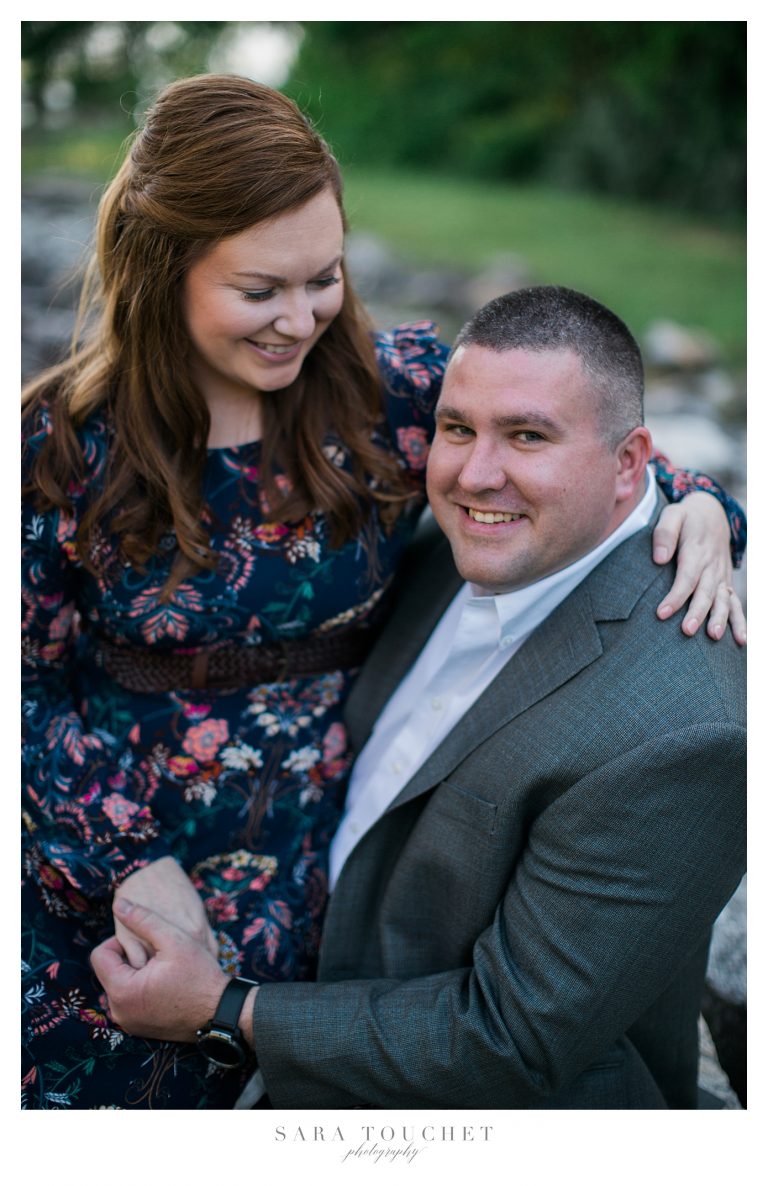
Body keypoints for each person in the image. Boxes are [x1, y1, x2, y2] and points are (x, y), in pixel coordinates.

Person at [22, 73, 743, 1111]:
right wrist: (125, 862)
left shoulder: (389, 391)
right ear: (163, 269)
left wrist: (711, 505)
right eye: (259, 289)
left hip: (316, 836)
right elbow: (25, 683)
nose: (300, 318)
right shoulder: (60, 443)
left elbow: (572, 439)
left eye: (323, 277)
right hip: (108, 833)